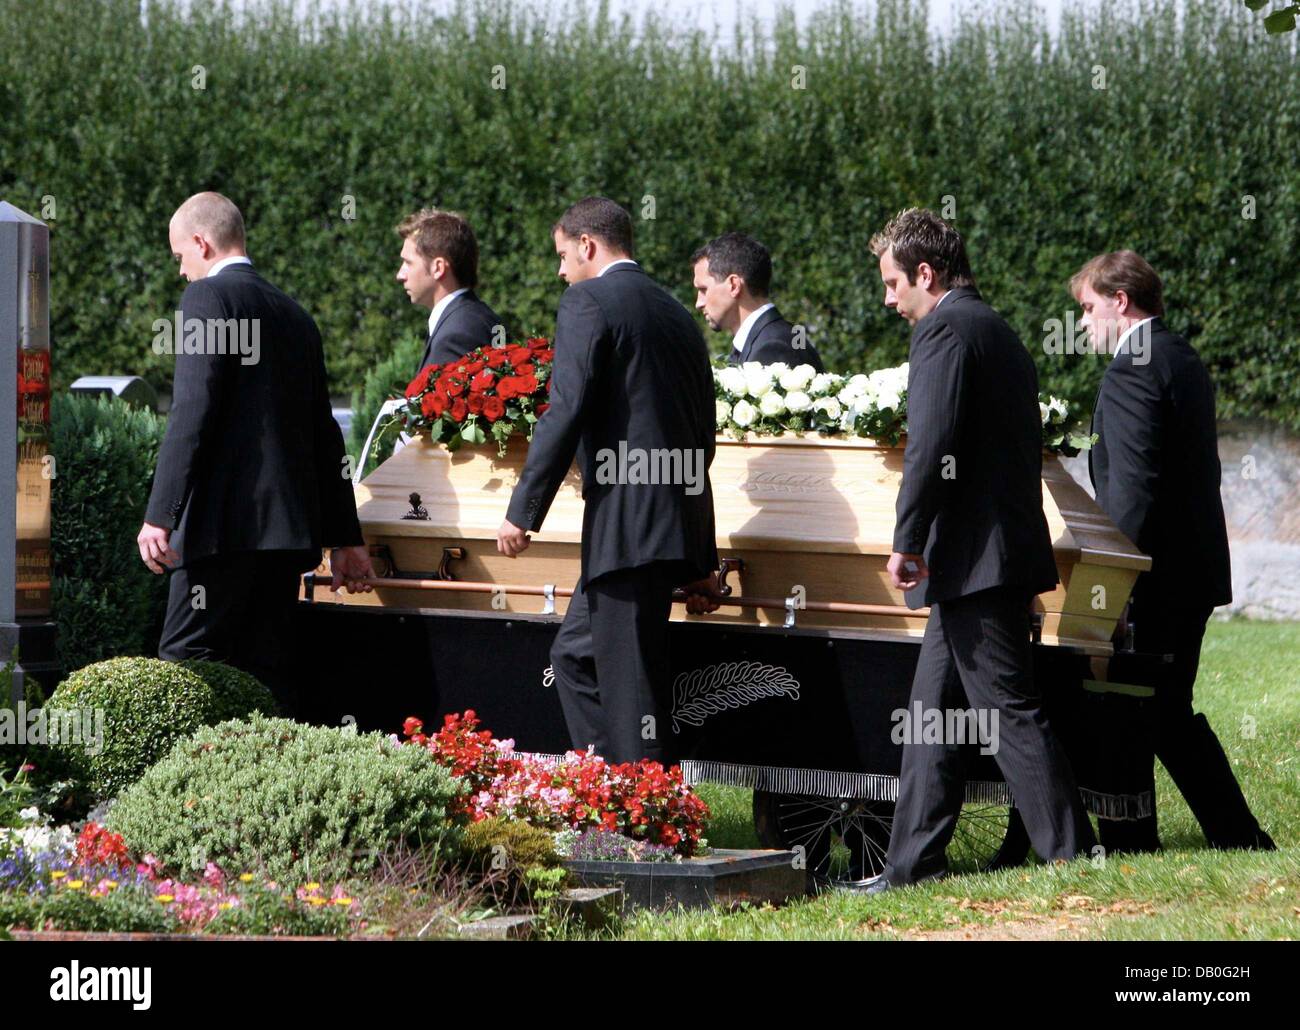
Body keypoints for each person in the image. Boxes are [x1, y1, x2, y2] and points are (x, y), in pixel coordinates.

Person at [859, 208, 1096, 893]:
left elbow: (930, 445)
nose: (888, 299)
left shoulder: (943, 331)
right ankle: (911, 867)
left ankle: (1071, 855)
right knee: (931, 715)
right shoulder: (998, 331)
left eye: (893, 283)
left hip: (972, 559)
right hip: (990, 553)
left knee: (1008, 713)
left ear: (924, 274)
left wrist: (907, 540)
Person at [496, 196, 721, 766]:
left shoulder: (587, 300)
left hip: (627, 528)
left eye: (563, 255)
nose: (561, 269)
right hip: (669, 524)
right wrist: (697, 551)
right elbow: (703, 435)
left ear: (588, 245)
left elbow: (565, 408)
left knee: (631, 689)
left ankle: (645, 823)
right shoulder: (677, 313)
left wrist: (523, 511)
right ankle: (607, 788)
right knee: (575, 657)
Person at [138, 191, 373, 713]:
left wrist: (160, 515)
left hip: (223, 533)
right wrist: (344, 537)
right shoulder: (296, 315)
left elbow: (192, 409)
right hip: (284, 539)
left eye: (180, 256)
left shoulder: (207, 299)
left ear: (201, 242)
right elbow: (325, 434)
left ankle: (187, 789)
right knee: (265, 675)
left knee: (184, 660)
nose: (181, 272)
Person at [1073, 249, 1275, 852]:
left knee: (1137, 705)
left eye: (1087, 308)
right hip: (1192, 571)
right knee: (1163, 710)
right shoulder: (1180, 354)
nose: (1083, 324)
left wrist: (1113, 577)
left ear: (1120, 301)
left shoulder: (1133, 367)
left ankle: (1146, 838)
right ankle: (1231, 835)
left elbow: (1133, 489)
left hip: (1156, 577)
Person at [690, 232, 825, 371]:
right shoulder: (788, 334)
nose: (699, 303)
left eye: (703, 289)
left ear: (734, 285)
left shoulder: (771, 347)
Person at [396, 208, 504, 372]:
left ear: (438, 268)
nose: (400, 275)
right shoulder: (476, 317)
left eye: (408, 263)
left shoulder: (455, 335)